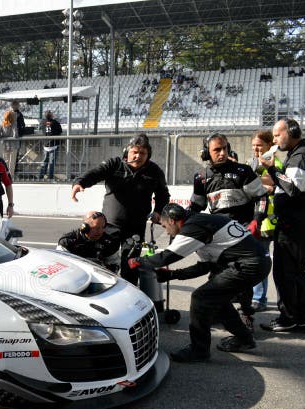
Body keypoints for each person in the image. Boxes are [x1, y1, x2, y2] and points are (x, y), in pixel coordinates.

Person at [130, 204, 270, 363]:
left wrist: (139, 261)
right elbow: (205, 266)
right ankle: (245, 339)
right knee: (217, 301)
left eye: (164, 226)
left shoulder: (192, 227)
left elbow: (167, 256)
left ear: (172, 220)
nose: (167, 231)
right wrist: (172, 275)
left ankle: (199, 351)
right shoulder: (201, 222)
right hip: (255, 262)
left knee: (200, 298)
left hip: (248, 264)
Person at [190, 133, 268, 331]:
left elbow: (261, 197)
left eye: (225, 148)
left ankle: (245, 315)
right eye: (217, 150)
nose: (222, 153)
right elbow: (196, 207)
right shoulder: (201, 177)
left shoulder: (244, 171)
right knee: (217, 276)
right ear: (206, 153)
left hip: (242, 233)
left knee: (241, 278)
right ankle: (220, 312)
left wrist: (255, 222)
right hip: (218, 236)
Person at [71, 133, 170, 285]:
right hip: (110, 224)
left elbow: (163, 194)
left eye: (142, 153)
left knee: (130, 264)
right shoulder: (114, 164)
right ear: (127, 152)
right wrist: (80, 182)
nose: (138, 156)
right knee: (103, 263)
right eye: (134, 152)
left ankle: (128, 295)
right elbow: (96, 173)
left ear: (148, 155)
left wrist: (157, 211)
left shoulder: (154, 171)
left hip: (136, 226)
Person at [258, 118, 305, 333]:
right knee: (295, 271)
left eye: (276, 134)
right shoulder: (300, 154)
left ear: (291, 132)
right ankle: (300, 319)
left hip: (295, 224)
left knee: (286, 272)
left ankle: (290, 317)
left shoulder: (302, 156)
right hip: (298, 221)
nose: (274, 139)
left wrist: (272, 169)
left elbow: (292, 189)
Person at [248, 130, 281, 311]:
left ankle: (259, 299)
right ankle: (254, 296)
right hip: (255, 219)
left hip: (267, 222)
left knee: (259, 259)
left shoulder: (273, 163)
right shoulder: (254, 162)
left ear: (269, 145)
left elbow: (268, 183)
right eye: (254, 145)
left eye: (259, 145)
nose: (256, 148)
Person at [37, 110, 62, 179]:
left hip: (46, 144)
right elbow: (60, 131)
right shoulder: (55, 122)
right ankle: (50, 177)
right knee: (52, 162)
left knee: (45, 161)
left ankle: (41, 176)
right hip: (53, 144)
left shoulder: (42, 122)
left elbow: (40, 128)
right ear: (51, 115)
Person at [0, 110, 19, 179]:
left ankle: (5, 176)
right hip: (13, 145)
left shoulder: (2, 124)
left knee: (6, 161)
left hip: (5, 145)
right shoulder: (13, 124)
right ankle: (11, 177)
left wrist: (4, 137)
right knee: (12, 162)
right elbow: (15, 135)